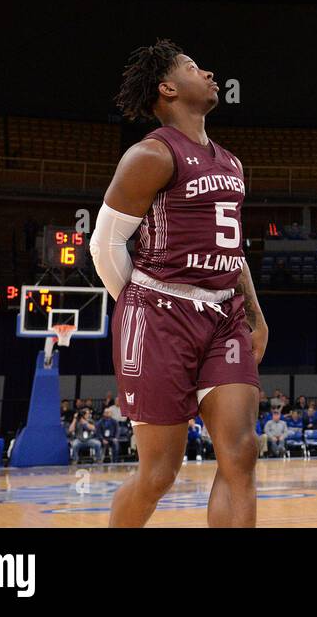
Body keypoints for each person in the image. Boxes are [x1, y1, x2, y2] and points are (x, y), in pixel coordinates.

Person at [91, 40, 267, 527]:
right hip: (158, 318)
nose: (209, 72)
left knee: (242, 451)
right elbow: (105, 247)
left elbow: (232, 248)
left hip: (224, 317)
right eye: (194, 67)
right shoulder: (150, 153)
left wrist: (254, 314)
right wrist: (142, 310)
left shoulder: (230, 162)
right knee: (160, 473)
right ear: (168, 88)